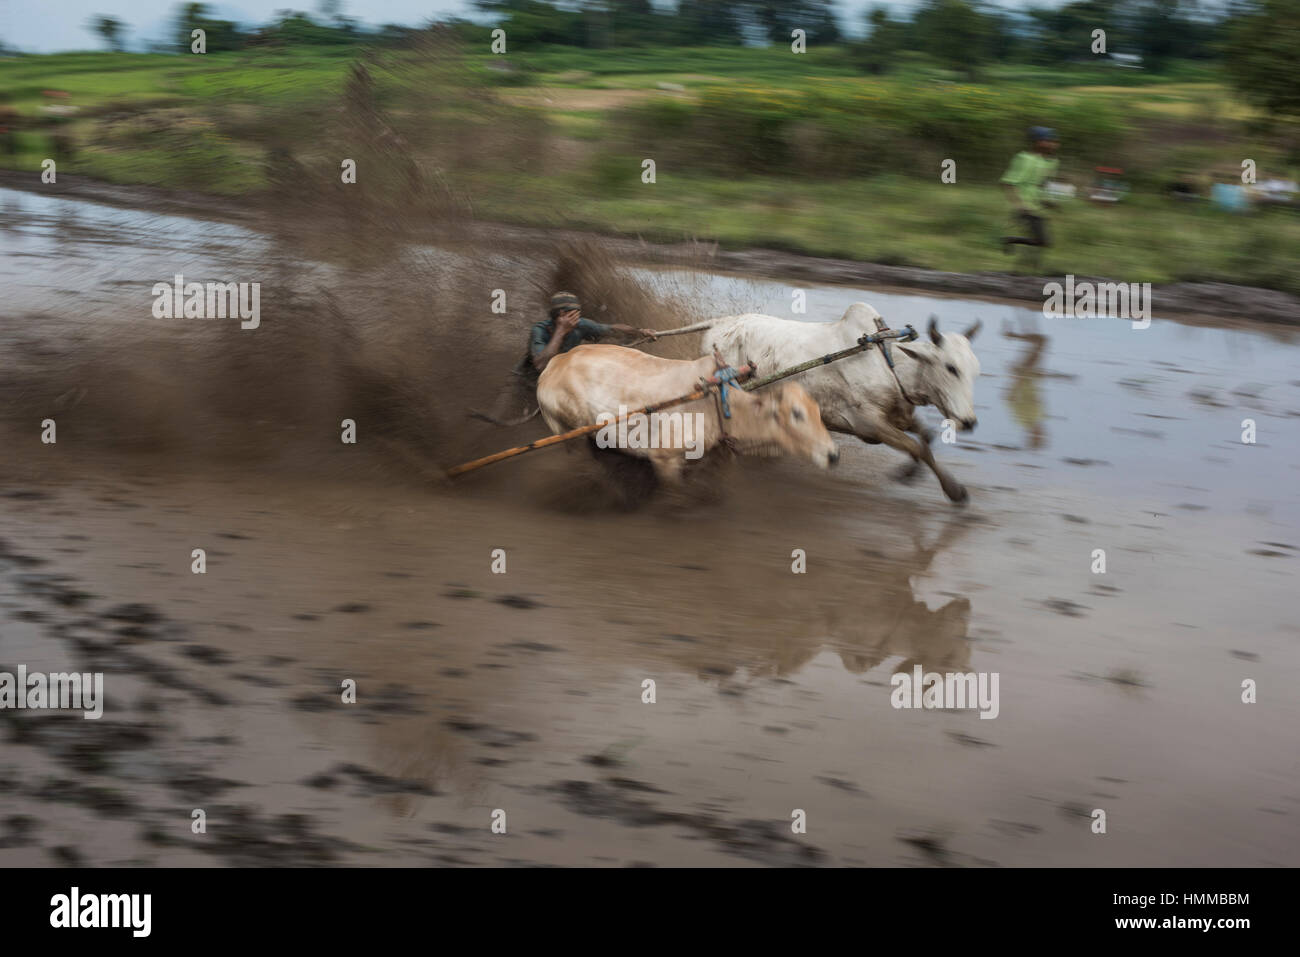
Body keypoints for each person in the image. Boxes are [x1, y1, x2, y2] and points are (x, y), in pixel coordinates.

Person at [472, 292, 656, 425]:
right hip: (523, 384)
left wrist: (640, 332)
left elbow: (611, 329)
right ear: (562, 315)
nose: (579, 316)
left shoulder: (581, 325)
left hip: (555, 386)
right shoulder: (540, 330)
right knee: (496, 421)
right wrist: (561, 331)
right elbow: (541, 364)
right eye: (575, 312)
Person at [1001, 126, 1060, 267]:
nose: (1054, 144)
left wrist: (1047, 201)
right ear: (1038, 142)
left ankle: (1025, 266)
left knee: (1041, 241)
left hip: (1037, 206)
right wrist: (1020, 205)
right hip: (1027, 207)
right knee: (1042, 241)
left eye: (1055, 141)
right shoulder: (1024, 159)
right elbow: (1008, 183)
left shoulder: (1049, 162)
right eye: (1049, 141)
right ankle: (1010, 241)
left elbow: (1042, 185)